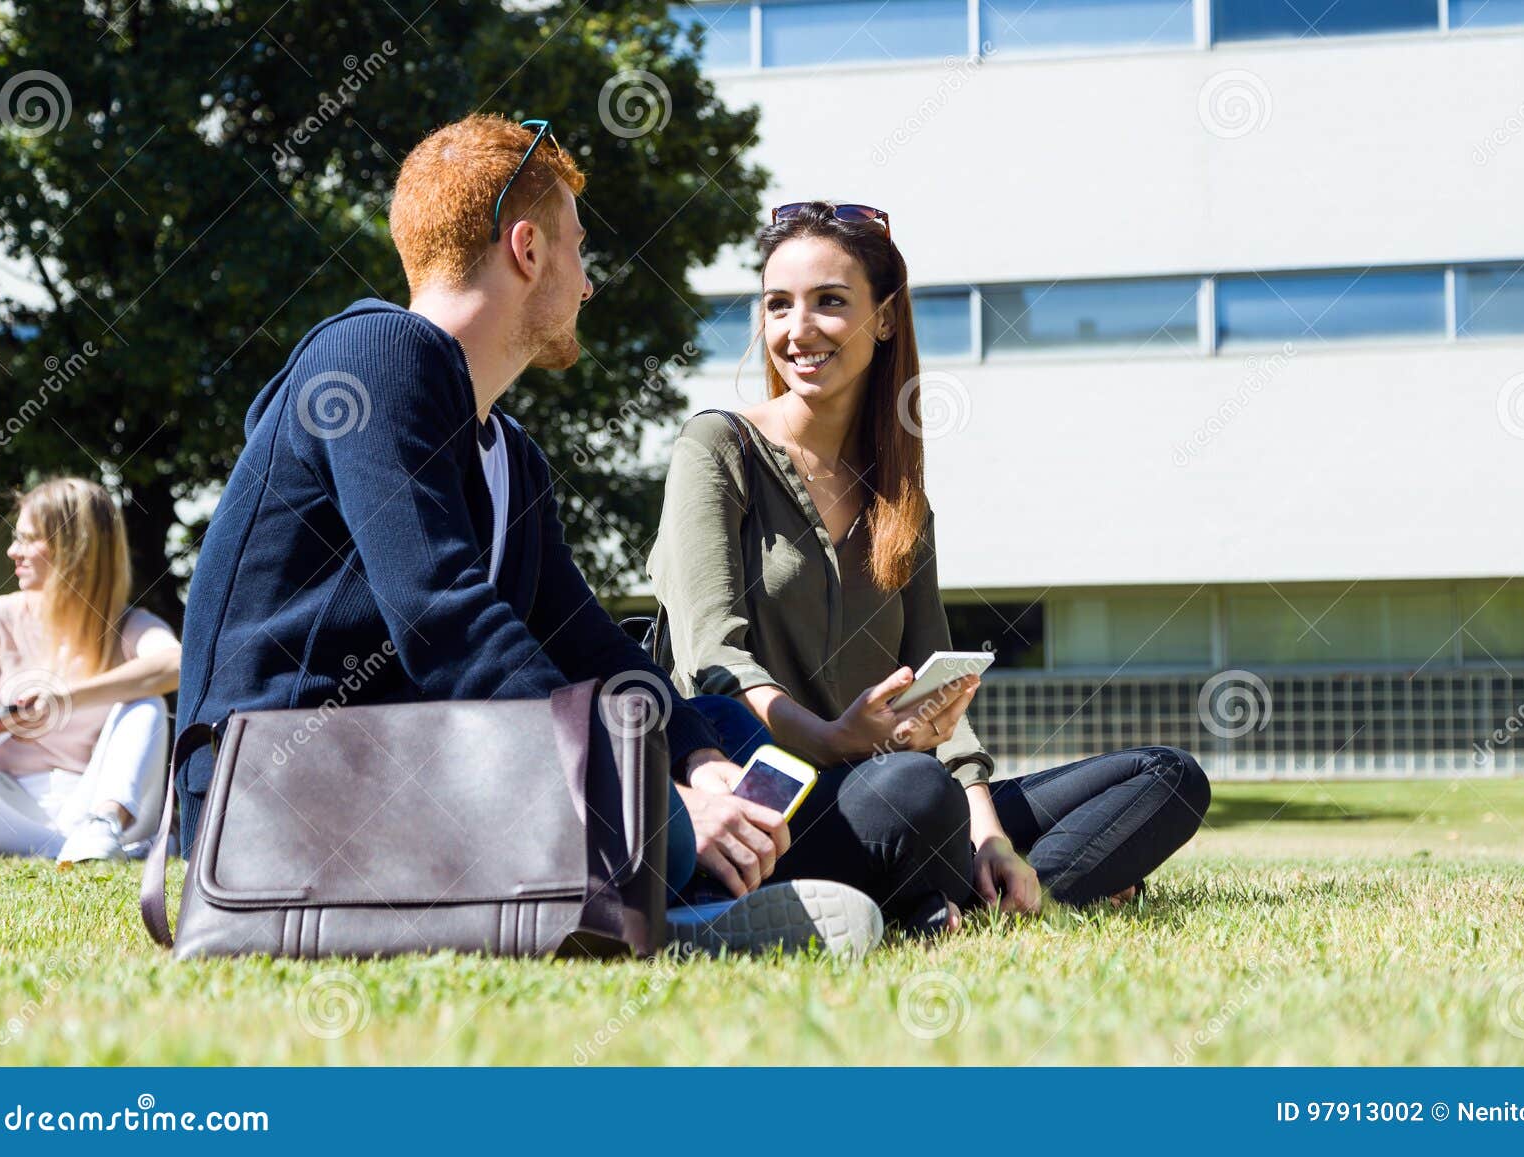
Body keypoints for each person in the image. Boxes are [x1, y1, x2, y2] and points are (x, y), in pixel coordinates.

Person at [172, 117, 880, 957]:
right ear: (528, 249)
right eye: (578, 251)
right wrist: (637, 790)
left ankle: (702, 878)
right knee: (652, 804)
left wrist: (691, 757)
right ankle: (676, 907)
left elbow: (582, 637)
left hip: (419, 762)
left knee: (715, 721)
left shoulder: (510, 455)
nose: (586, 285)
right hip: (294, 789)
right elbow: (444, 618)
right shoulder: (372, 355)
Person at [649, 201, 1211, 932]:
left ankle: (983, 888)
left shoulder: (898, 493)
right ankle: (960, 888)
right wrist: (831, 739)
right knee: (914, 793)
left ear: (884, 318)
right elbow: (713, 660)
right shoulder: (717, 449)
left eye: (829, 302)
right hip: (773, 799)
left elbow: (939, 687)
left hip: (898, 781)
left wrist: (991, 834)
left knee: (1167, 777)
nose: (797, 330)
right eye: (778, 305)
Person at [0, 477, 180, 865]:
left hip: (98, 804)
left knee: (146, 705)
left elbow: (175, 663)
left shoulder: (129, 626)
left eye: (27, 540)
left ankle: (101, 832)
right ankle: (79, 850)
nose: (12, 552)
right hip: (9, 804)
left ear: (75, 549)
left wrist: (64, 699)